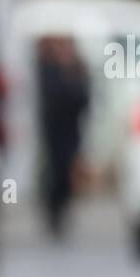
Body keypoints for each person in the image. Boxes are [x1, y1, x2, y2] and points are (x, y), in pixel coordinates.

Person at [36, 34, 90, 237]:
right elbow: (51, 97)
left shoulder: (77, 69)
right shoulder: (48, 69)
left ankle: (63, 211)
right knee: (54, 172)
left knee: (67, 172)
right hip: (52, 131)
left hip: (71, 131)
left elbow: (83, 98)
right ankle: (53, 211)